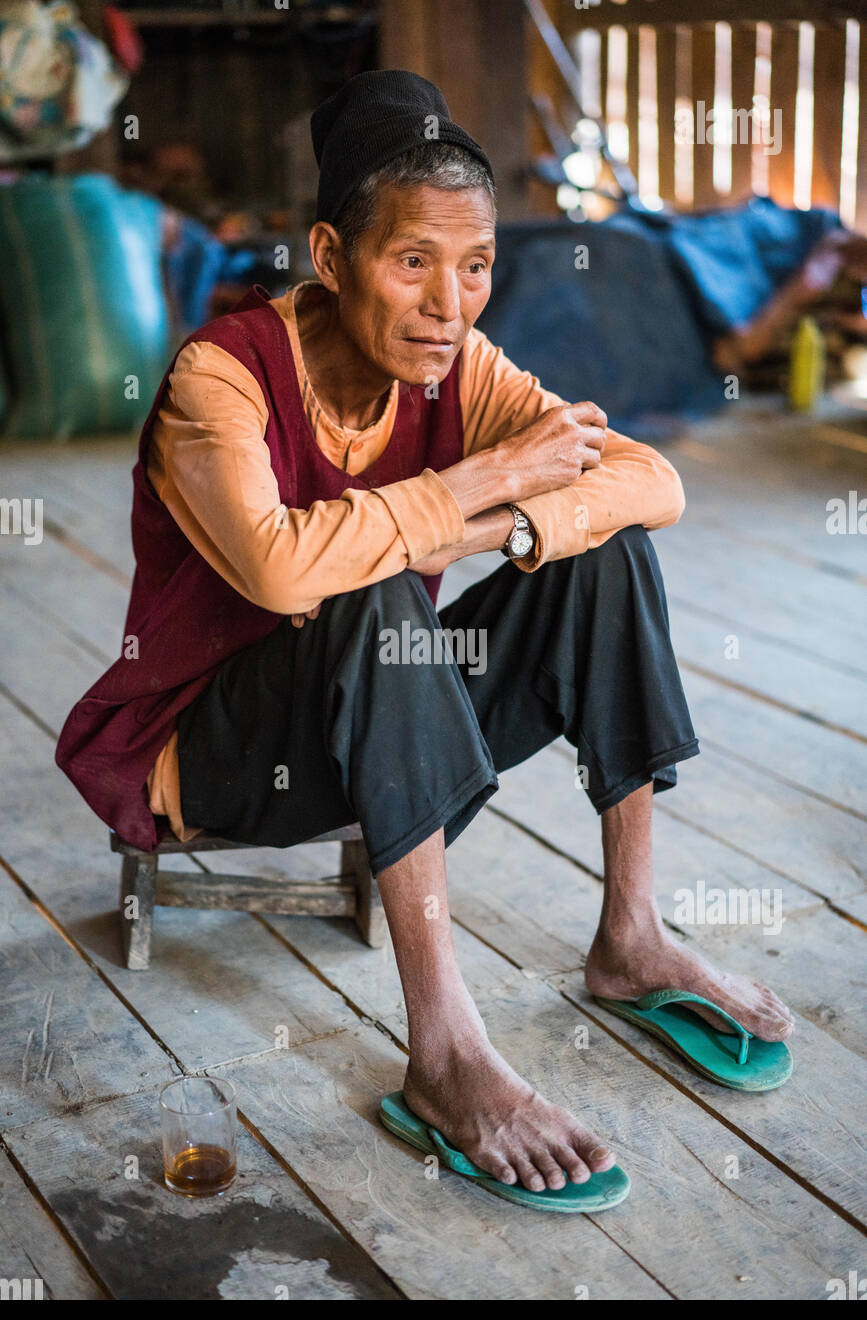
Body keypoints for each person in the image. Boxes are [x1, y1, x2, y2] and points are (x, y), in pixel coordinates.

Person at [56, 70, 794, 1200]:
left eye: (478, 265)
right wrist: (488, 480)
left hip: (382, 722)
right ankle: (446, 1047)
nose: (451, 304)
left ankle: (631, 935)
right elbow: (281, 565)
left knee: (603, 551)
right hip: (211, 754)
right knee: (370, 587)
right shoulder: (225, 376)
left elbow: (652, 483)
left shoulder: (462, 368)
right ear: (330, 255)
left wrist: (522, 522)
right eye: (414, 263)